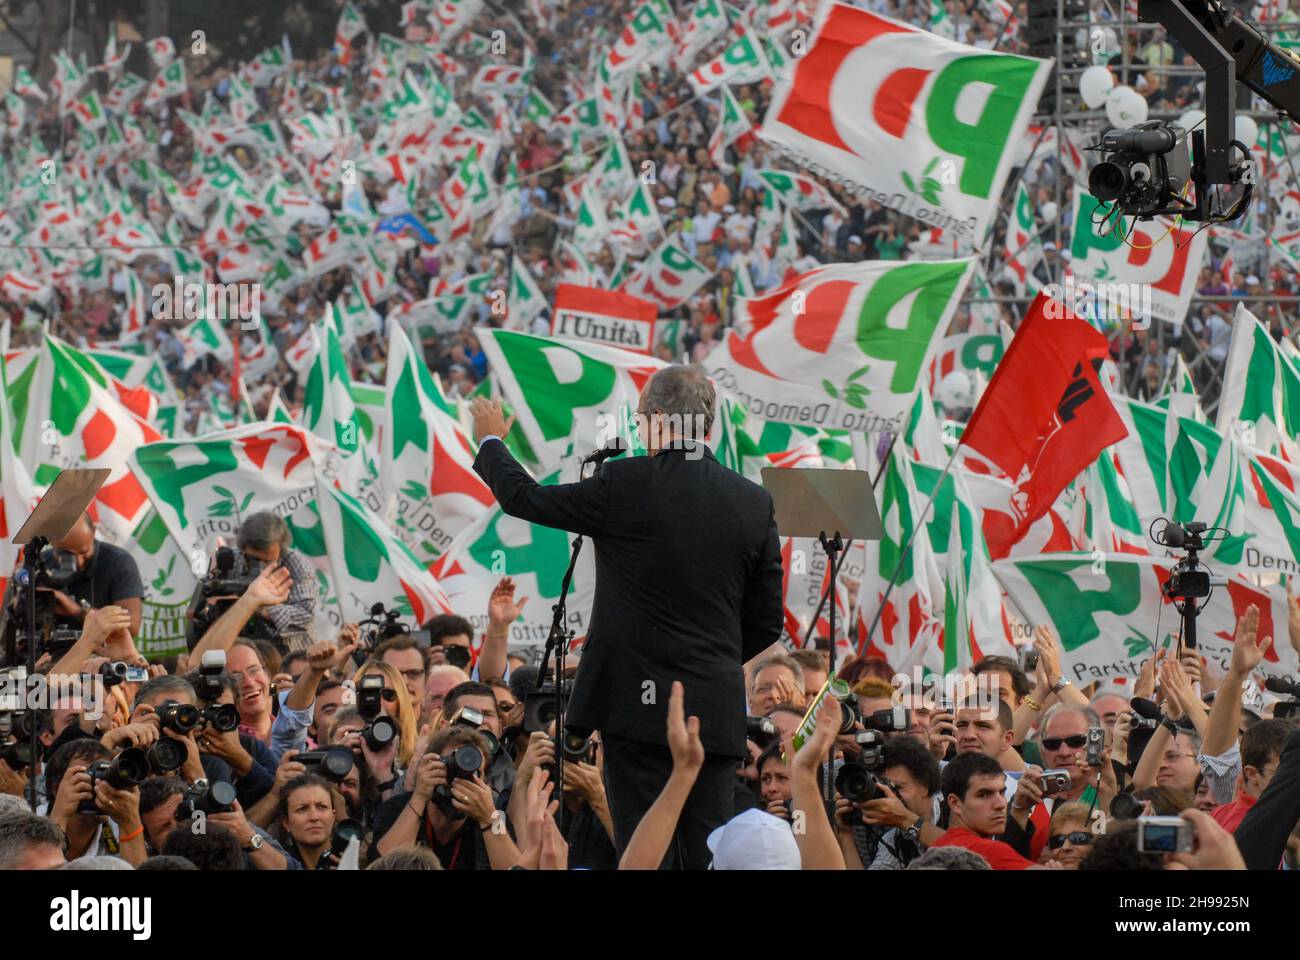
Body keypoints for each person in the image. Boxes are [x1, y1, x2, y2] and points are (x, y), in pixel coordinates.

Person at [468, 366, 784, 869]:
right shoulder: (754, 500)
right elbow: (767, 622)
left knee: (645, 849)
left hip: (637, 713)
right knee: (708, 855)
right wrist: (710, 662)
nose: (638, 432)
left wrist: (489, 439)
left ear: (658, 420)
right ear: (706, 426)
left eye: (641, 422)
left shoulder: (624, 481)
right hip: (715, 709)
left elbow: (523, 498)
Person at [930, 752, 1044, 870]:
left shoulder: (937, 847)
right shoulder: (987, 851)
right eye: (984, 795)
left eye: (1002, 792)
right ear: (955, 803)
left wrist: (1021, 809)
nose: (1000, 804)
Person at [45, 512, 143, 638]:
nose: (78, 562)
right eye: (67, 556)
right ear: (53, 544)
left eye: (84, 552)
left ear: (93, 532)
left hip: (103, 652)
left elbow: (131, 627)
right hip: (48, 653)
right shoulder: (39, 565)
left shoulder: (118, 562)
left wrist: (79, 611)